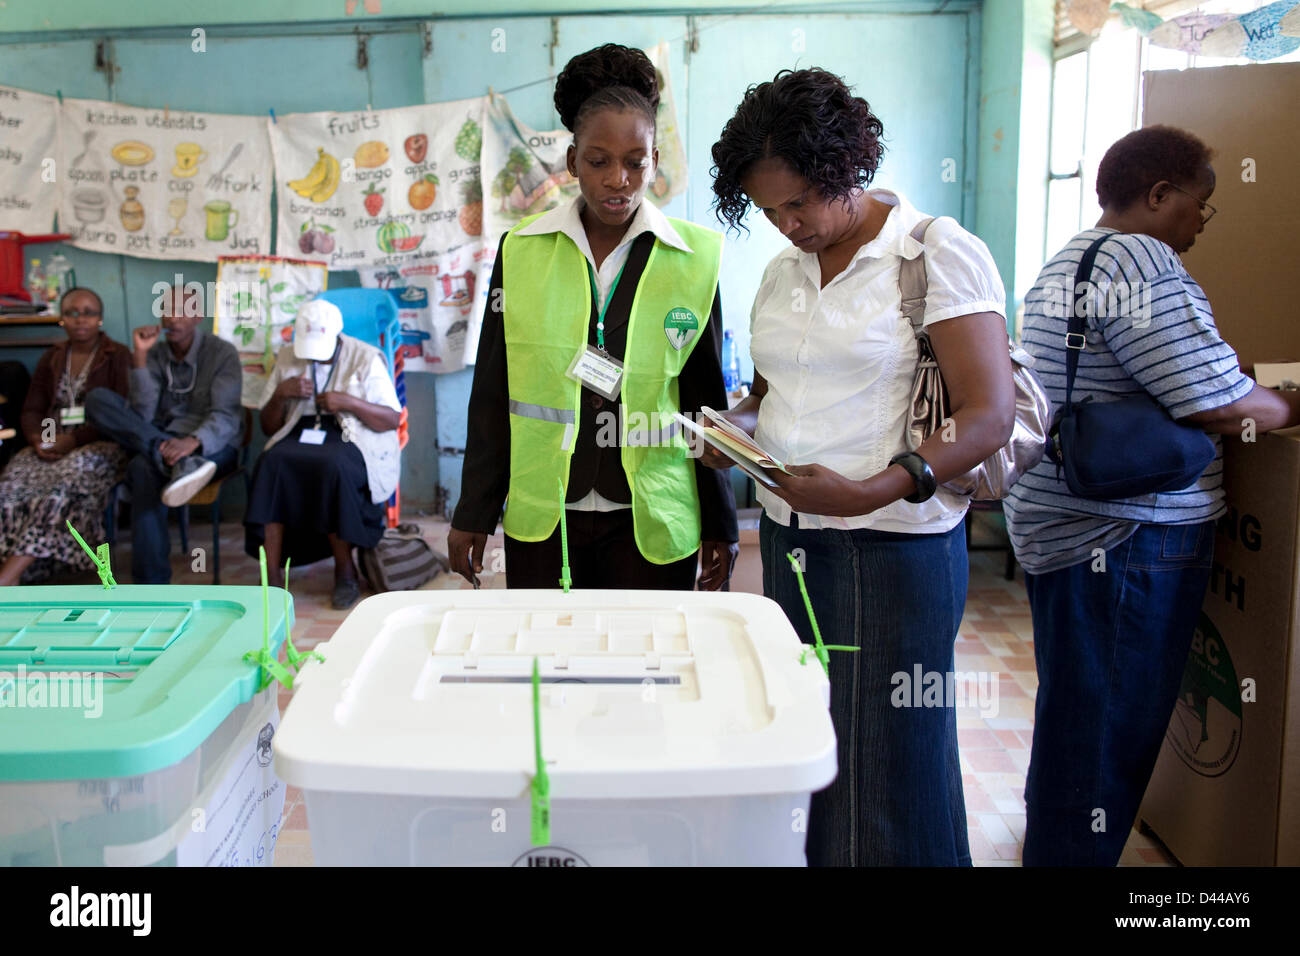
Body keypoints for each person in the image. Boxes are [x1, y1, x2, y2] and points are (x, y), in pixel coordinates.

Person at [707, 68, 1015, 866]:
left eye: (799, 201)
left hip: (895, 549)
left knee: (893, 759)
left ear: (847, 167)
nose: (786, 224)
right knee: (812, 738)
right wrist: (730, 431)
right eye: (767, 209)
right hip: (791, 541)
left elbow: (988, 415)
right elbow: (768, 394)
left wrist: (874, 487)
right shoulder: (782, 274)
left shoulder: (935, 253)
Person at [1003, 125, 1300, 866]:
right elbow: (1218, 401)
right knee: (1106, 735)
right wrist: (1292, 405)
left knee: (1082, 721)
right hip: (1125, 534)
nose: (1202, 221)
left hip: (1072, 523)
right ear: (1159, 195)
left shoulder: (1072, 255)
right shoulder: (1139, 258)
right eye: (1201, 205)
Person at [447, 43, 739, 590]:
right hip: (547, 511)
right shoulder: (522, 251)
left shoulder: (694, 258)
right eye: (599, 161)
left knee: (653, 664)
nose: (618, 180)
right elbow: (492, 389)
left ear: (655, 162)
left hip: (655, 512)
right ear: (572, 162)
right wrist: (474, 512)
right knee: (552, 663)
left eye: (635, 162)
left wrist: (720, 522)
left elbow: (706, 401)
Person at [245, 298, 401, 609]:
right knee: (270, 462)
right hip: (299, 431)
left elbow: (391, 419)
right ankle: (272, 576)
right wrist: (280, 395)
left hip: (352, 435)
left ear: (337, 336)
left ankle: (345, 571)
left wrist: (349, 402)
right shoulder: (288, 355)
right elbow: (268, 426)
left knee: (333, 466)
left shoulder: (364, 357)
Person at [85, 283, 242, 584]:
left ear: (199, 316)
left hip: (212, 446)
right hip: (163, 442)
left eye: (184, 311)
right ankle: (151, 588)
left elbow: (226, 416)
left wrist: (193, 443)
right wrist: (140, 360)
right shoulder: (155, 353)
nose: (173, 319)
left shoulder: (222, 353)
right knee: (99, 402)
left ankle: (149, 582)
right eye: (168, 310)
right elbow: (141, 416)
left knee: (143, 466)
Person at [0, 288, 130, 585]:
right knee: (11, 480)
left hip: (100, 444)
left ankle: (10, 576)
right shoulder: (53, 357)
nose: (80, 319)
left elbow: (122, 415)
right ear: (62, 319)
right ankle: (27, 568)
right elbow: (32, 408)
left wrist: (71, 441)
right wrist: (39, 439)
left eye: (88, 313)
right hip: (50, 441)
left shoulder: (117, 355)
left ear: (99, 319)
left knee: (63, 484)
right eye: (72, 312)